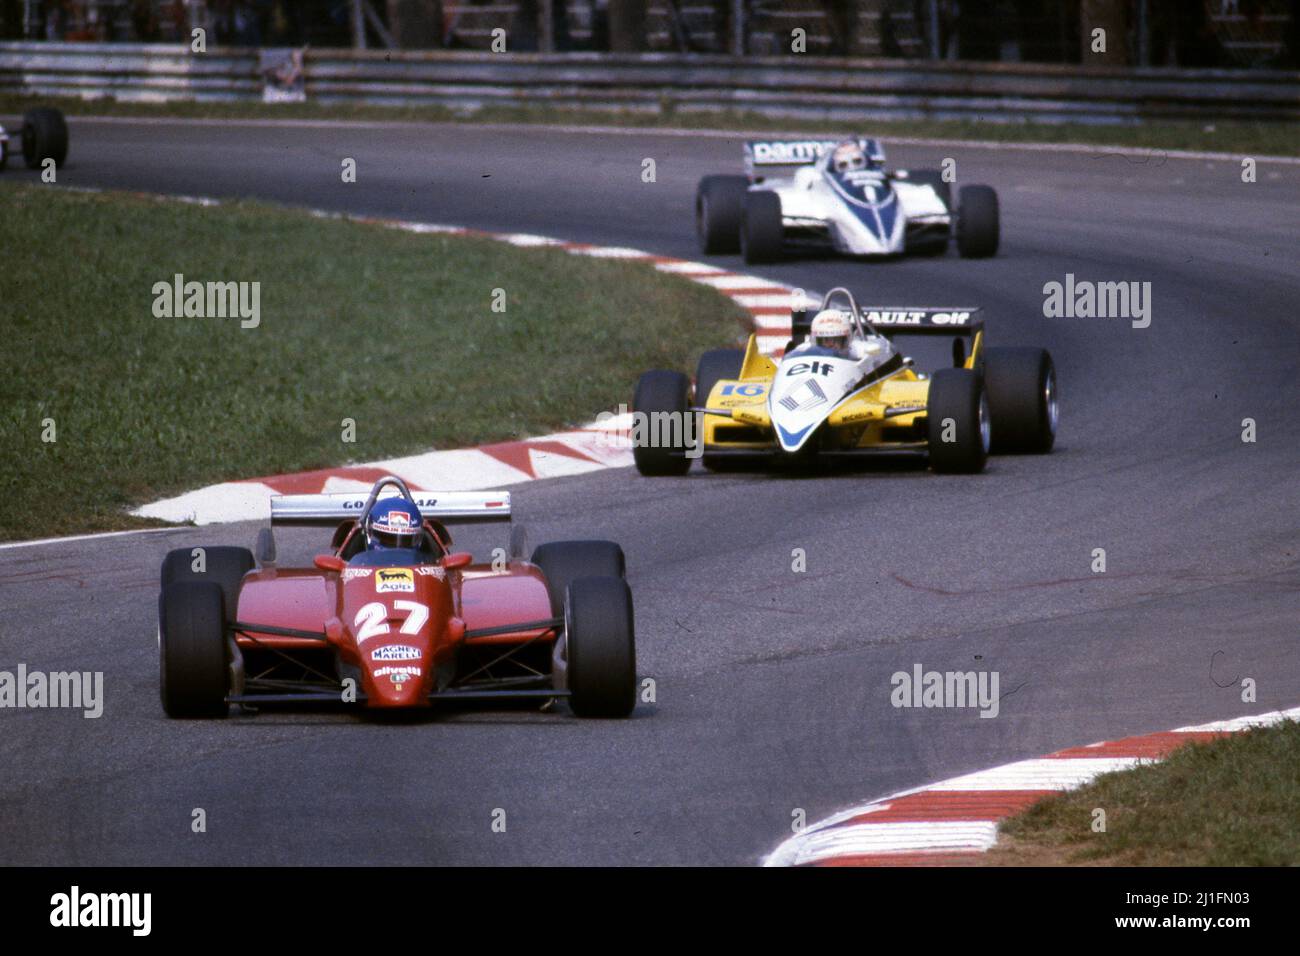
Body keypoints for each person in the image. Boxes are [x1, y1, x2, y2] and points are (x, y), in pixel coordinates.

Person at [805, 308, 894, 367]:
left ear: (846, 341)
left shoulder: (858, 351)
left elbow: (882, 348)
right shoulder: (805, 352)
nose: (830, 345)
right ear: (815, 340)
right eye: (825, 340)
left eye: (836, 340)